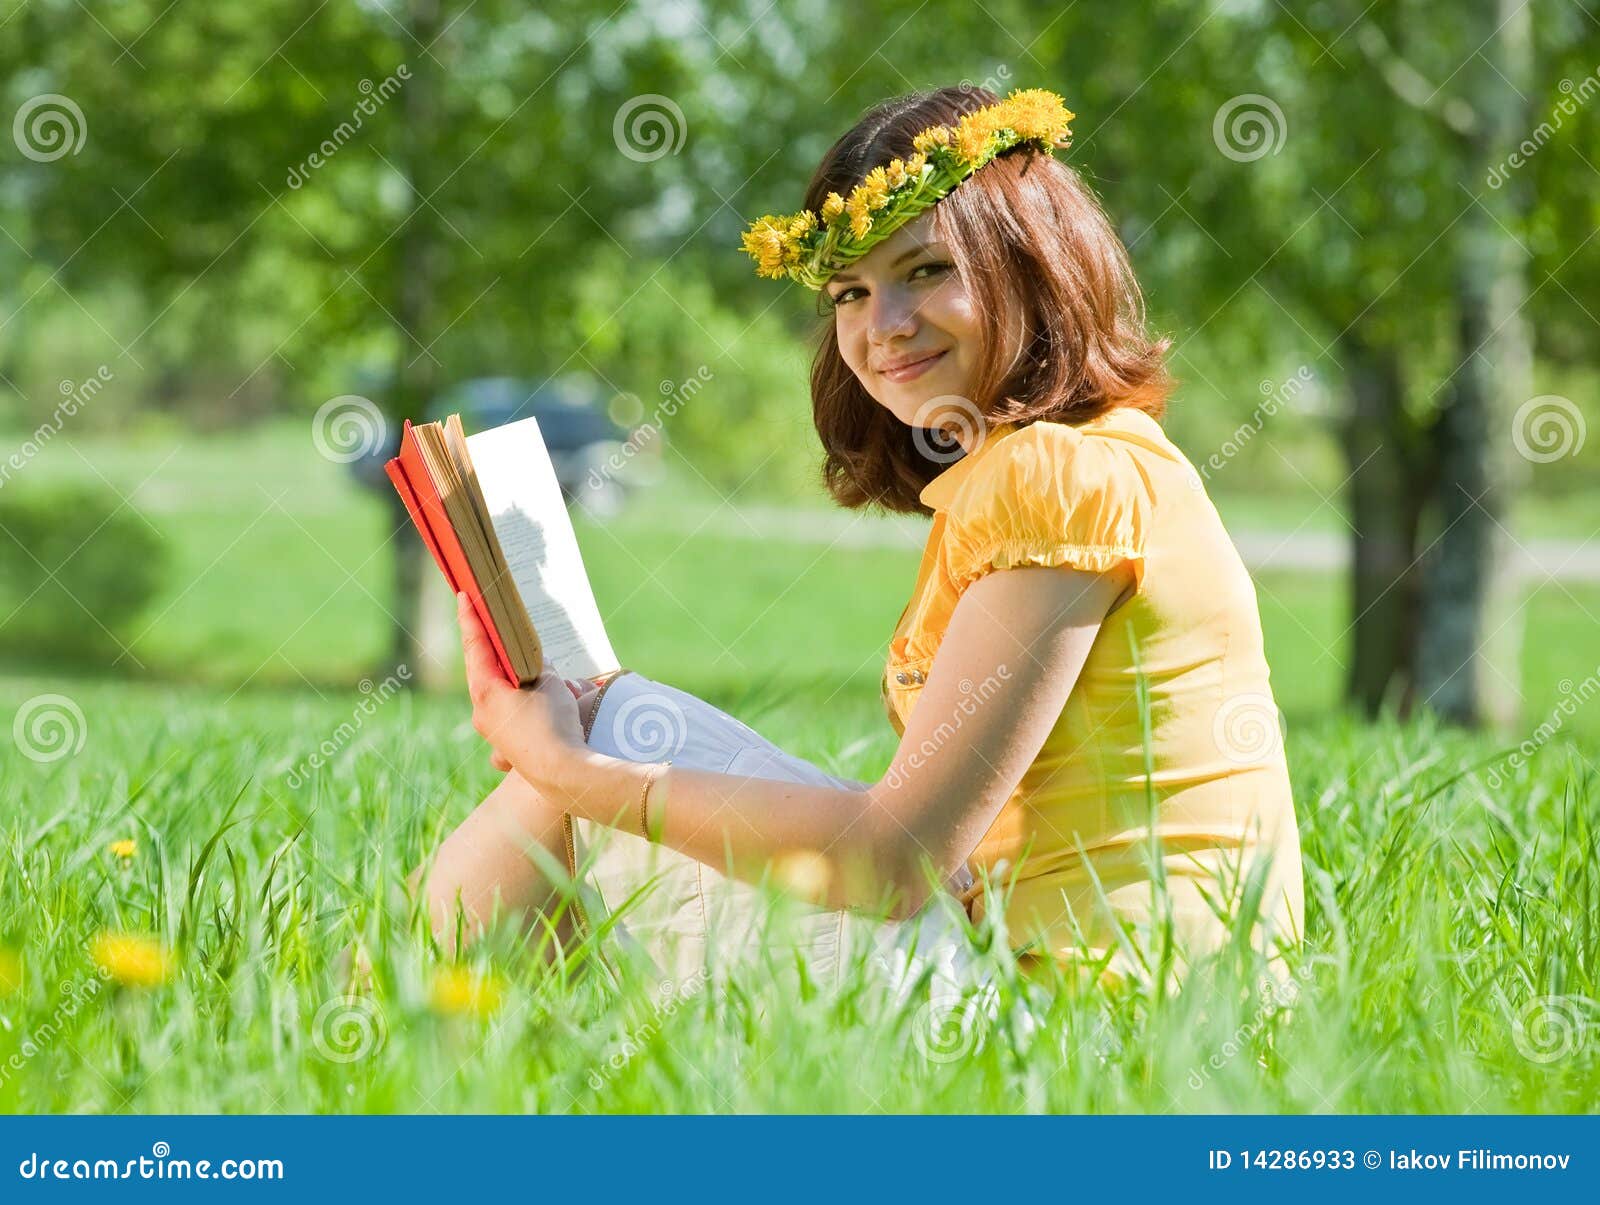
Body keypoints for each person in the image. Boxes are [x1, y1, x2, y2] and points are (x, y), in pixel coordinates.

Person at [413, 84, 1304, 995]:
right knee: (613, 732)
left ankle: (378, 1044)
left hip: (1097, 1032)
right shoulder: (1076, 463)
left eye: (925, 272)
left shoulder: (1057, 477)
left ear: (1032, 264)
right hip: (1086, 996)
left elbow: (894, 860)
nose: (883, 328)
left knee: (598, 749)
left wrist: (565, 765)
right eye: (851, 291)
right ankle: (447, 1053)